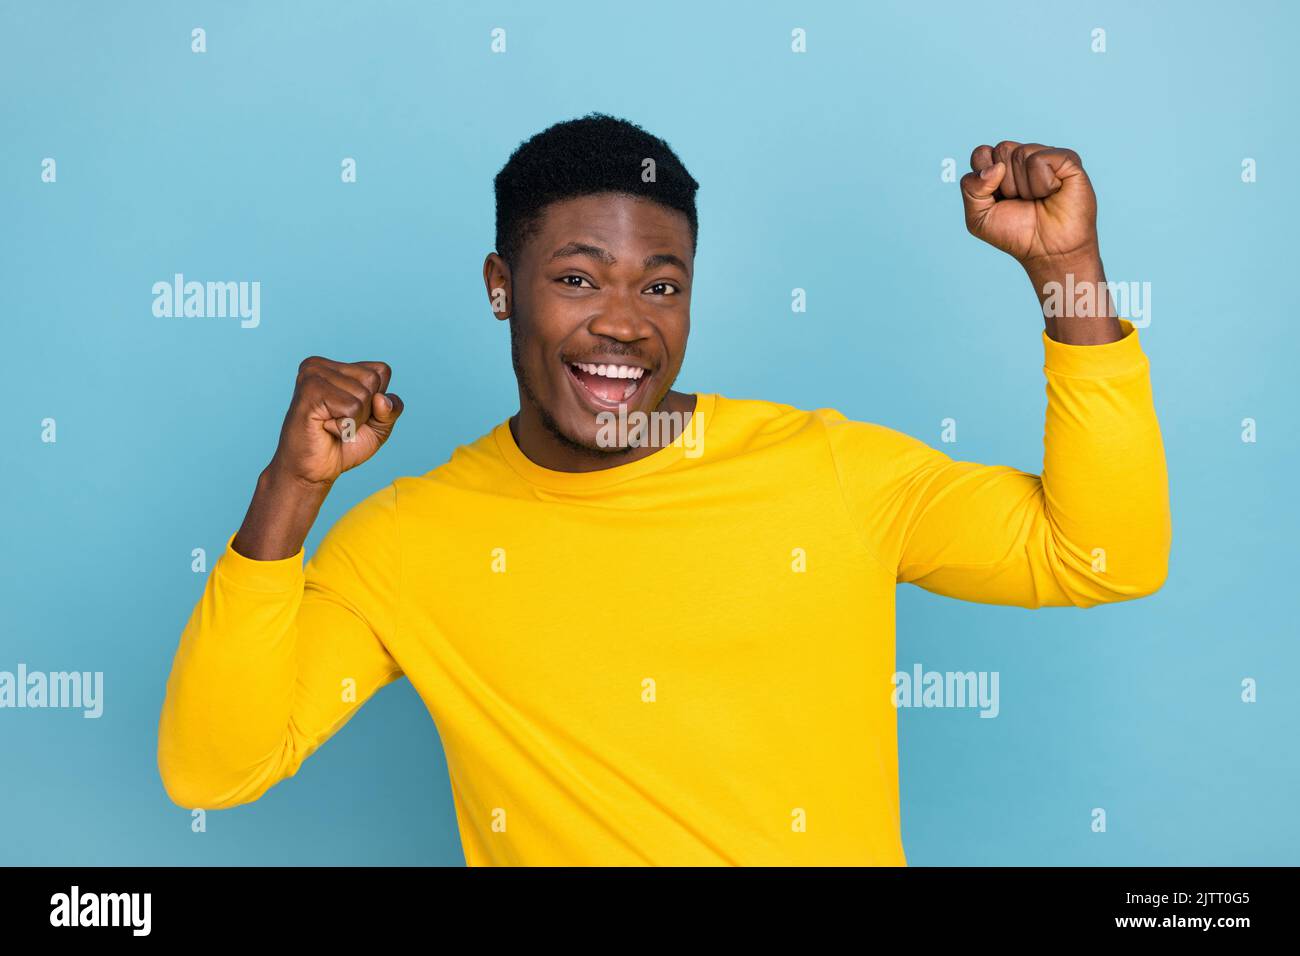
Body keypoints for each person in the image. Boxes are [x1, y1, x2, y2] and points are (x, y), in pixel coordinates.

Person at [157, 113, 1170, 865]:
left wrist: (1066, 270)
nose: (624, 322)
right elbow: (214, 767)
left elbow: (1103, 558)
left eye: (660, 284)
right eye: (576, 278)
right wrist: (288, 491)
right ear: (500, 284)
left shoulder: (821, 469)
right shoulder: (407, 541)